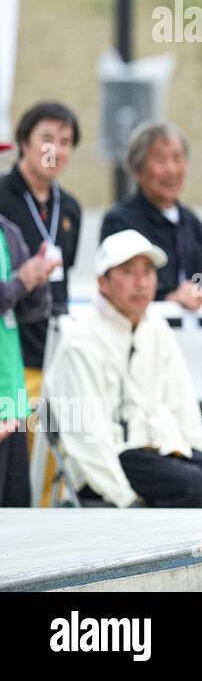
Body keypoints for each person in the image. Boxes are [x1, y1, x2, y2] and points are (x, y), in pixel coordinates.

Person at [43, 230, 202, 508]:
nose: (141, 283)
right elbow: (87, 438)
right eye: (128, 272)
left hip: (162, 450)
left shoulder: (157, 328)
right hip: (115, 456)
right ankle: (181, 552)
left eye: (147, 271)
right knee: (190, 485)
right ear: (103, 282)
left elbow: (182, 405)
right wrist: (125, 500)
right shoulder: (80, 341)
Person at [0, 101, 83, 397]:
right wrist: (24, 278)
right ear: (24, 141)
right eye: (47, 139)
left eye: (66, 142)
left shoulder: (71, 207)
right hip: (10, 353)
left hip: (57, 352)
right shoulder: (3, 197)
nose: (56, 151)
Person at [101, 121, 202, 313]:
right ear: (138, 169)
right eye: (160, 160)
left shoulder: (191, 223)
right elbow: (121, 289)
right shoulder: (120, 221)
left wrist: (196, 293)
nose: (172, 170)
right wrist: (170, 298)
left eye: (177, 159)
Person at [0, 214, 55, 507]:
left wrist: (39, 277)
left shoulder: (8, 229)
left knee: (17, 515)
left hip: (12, 398)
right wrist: (22, 281)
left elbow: (31, 311)